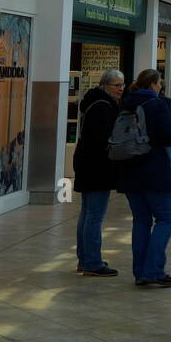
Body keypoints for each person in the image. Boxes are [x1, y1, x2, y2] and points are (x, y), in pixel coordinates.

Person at [117, 69, 171, 287]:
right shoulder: (157, 105)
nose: (161, 87)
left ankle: (140, 272)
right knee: (165, 219)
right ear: (154, 84)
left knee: (141, 221)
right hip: (155, 173)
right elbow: (169, 137)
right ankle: (153, 271)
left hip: (129, 172)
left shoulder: (126, 104)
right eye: (159, 82)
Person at [73, 69, 124, 276]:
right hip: (97, 167)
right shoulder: (104, 108)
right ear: (105, 85)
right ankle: (92, 263)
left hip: (87, 164)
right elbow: (104, 140)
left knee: (87, 214)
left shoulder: (94, 103)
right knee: (94, 215)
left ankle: (85, 258)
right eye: (116, 85)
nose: (120, 89)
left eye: (122, 85)